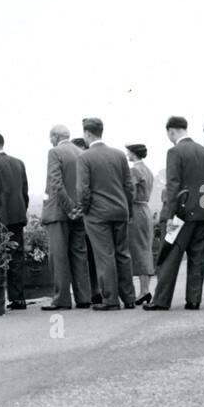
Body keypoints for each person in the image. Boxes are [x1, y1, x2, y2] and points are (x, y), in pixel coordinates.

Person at [145, 115, 204, 311]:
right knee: (197, 257)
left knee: (170, 257)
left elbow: (173, 186)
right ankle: (193, 300)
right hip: (203, 215)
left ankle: (161, 300)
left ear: (172, 131)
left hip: (179, 216)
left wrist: (169, 215)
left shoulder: (174, 152)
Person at [76, 118, 135, 309]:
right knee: (123, 253)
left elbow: (83, 190)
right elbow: (128, 186)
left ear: (87, 133)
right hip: (121, 209)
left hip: (97, 214)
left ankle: (110, 299)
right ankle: (129, 298)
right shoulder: (119, 155)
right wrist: (128, 209)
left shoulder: (84, 157)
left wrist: (84, 210)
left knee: (104, 255)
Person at [40, 124, 91, 310]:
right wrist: (79, 208)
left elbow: (56, 183)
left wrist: (69, 208)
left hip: (60, 211)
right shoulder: (82, 153)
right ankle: (84, 296)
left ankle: (61, 299)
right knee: (79, 253)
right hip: (79, 211)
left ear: (54, 136)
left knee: (59, 256)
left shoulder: (55, 152)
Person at [0, 132, 30, 310]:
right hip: (17, 216)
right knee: (16, 258)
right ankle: (18, 298)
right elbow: (25, 192)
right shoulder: (19, 163)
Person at [70, 137, 102, 302]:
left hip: (89, 214)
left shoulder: (85, 164)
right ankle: (94, 290)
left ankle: (95, 290)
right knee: (90, 255)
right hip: (90, 214)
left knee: (91, 255)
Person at [125, 144, 155, 305]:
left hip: (136, 209)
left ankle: (144, 290)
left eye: (129, 152)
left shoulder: (134, 170)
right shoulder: (148, 170)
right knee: (145, 247)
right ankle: (145, 289)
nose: (127, 154)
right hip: (146, 209)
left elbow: (130, 193)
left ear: (134, 154)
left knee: (139, 249)